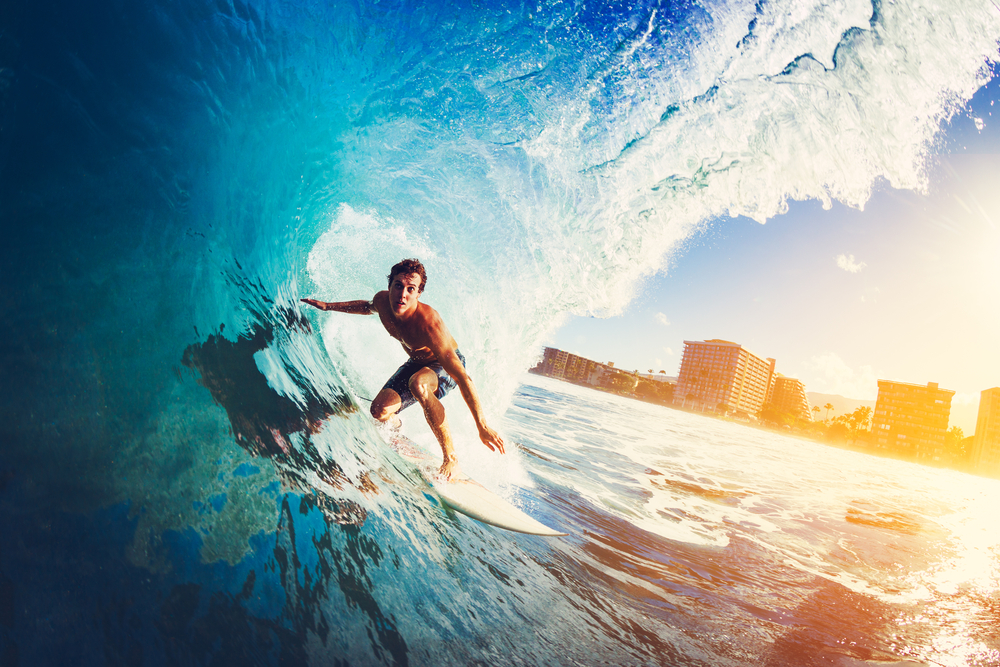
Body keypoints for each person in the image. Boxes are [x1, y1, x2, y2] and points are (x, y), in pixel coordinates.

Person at [301, 258, 505, 479]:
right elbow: (366, 307)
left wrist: (482, 426)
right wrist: (328, 306)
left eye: (411, 289)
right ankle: (394, 422)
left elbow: (463, 377)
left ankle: (451, 459)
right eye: (398, 285)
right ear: (389, 286)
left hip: (442, 366)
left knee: (418, 384)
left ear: (419, 293)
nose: (403, 294)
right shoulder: (382, 302)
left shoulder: (429, 324)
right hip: (416, 363)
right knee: (379, 411)